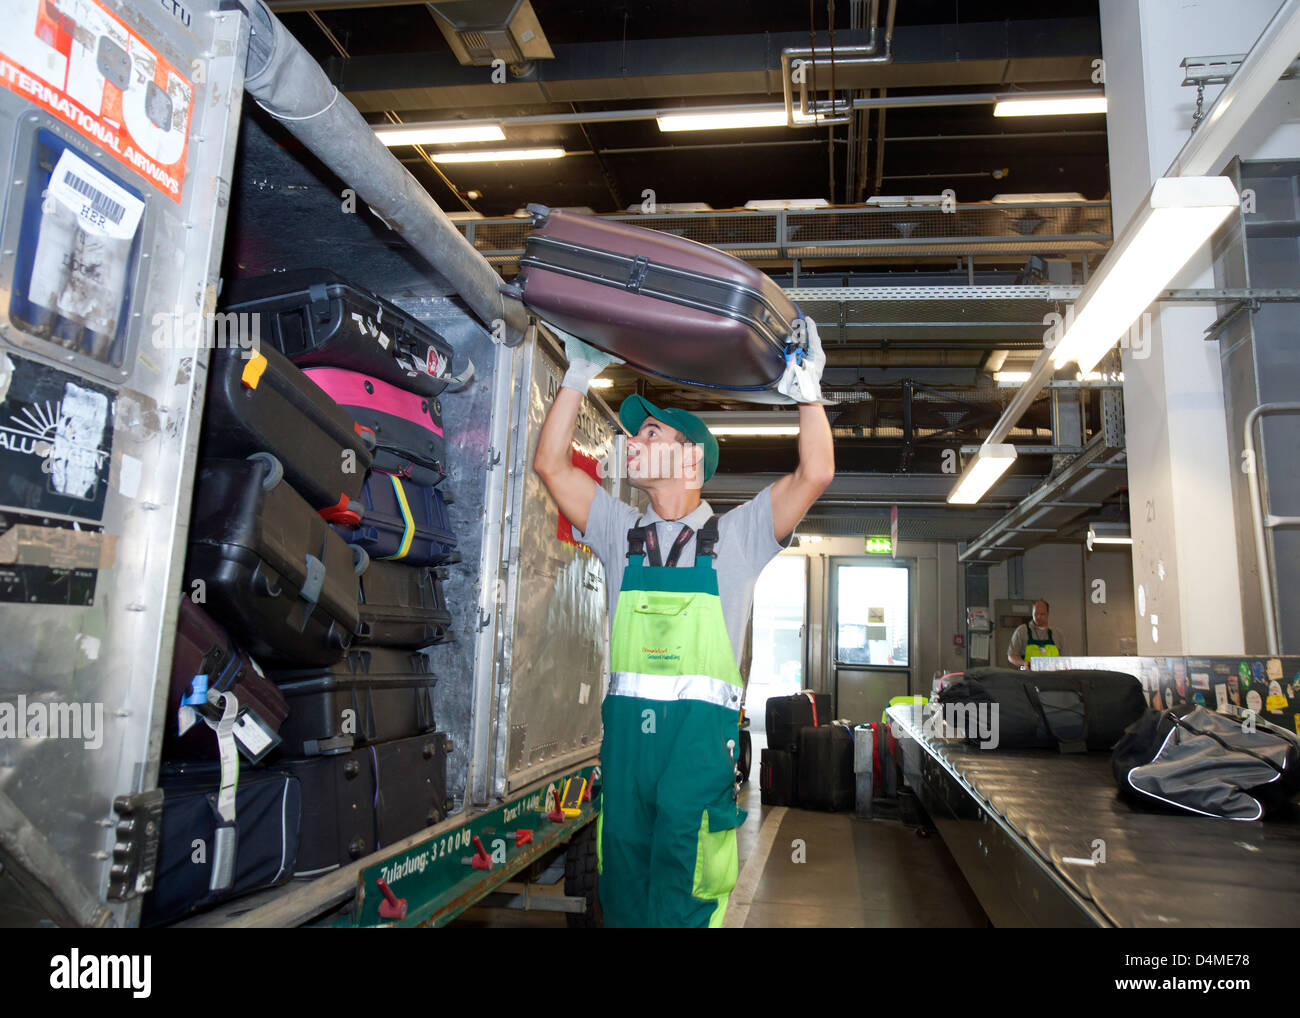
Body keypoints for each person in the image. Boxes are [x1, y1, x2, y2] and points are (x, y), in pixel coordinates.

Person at [532, 321, 834, 928]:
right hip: (625, 750)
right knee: (620, 889)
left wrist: (808, 394)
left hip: (697, 751)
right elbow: (551, 465)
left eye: (649, 432)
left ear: (690, 456)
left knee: (686, 888)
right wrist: (576, 376)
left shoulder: (739, 535)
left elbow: (815, 475)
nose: (632, 442)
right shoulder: (621, 532)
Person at [1007, 599, 1061, 670]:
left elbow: (1065, 659)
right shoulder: (1022, 631)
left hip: (1053, 678)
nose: (1038, 617)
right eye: (1036, 614)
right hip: (1029, 677)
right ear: (1032, 613)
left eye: (1042, 614)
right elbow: (1011, 656)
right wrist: (1024, 663)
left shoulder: (1057, 634)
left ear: (1047, 614)